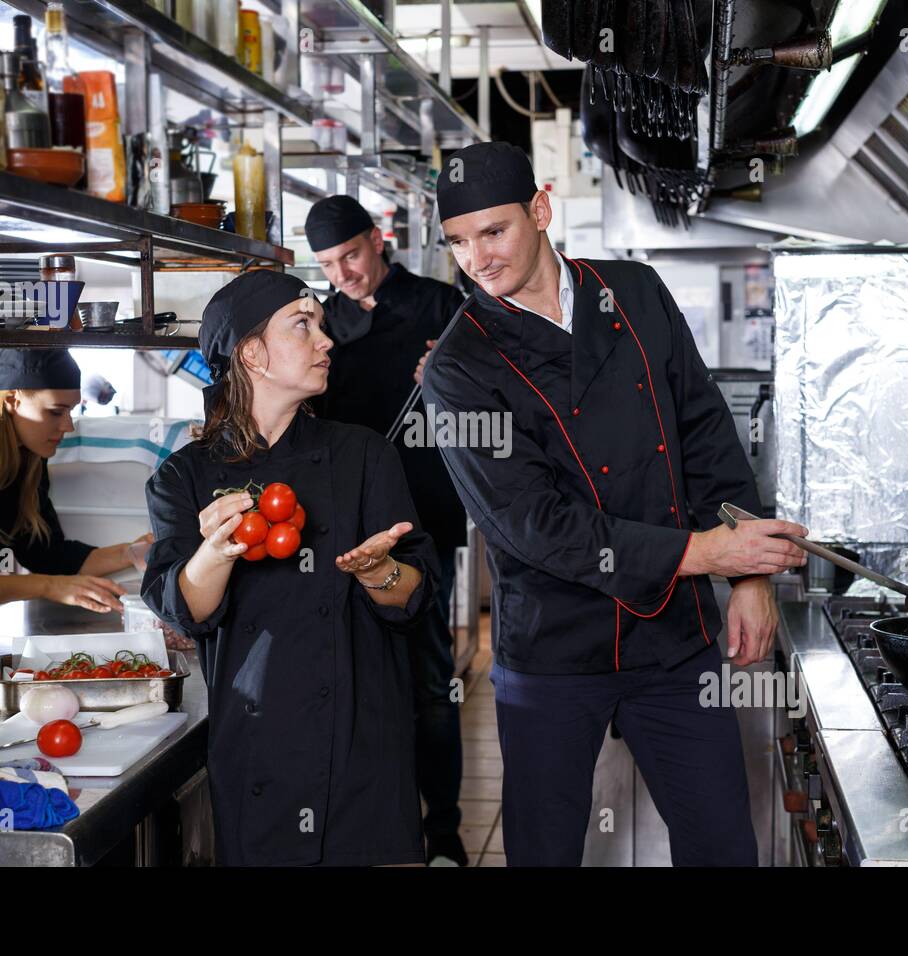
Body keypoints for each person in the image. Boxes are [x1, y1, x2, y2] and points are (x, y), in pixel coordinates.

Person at [419, 142, 809, 866]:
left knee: (724, 843)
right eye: (459, 242)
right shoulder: (457, 366)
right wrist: (705, 555)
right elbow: (535, 524)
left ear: (541, 209)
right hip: (553, 651)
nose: (479, 258)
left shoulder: (633, 290)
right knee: (545, 852)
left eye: (494, 231)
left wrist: (749, 577)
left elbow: (705, 436)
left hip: (674, 642)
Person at [141, 269, 439, 866]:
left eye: (322, 327)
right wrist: (218, 550)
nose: (325, 341)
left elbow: (413, 595)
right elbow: (185, 608)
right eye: (303, 326)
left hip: (361, 747)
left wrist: (376, 571)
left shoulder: (363, 455)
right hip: (258, 751)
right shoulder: (184, 476)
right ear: (251, 353)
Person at [304, 194, 469, 866]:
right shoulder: (318, 325)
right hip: (344, 526)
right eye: (327, 264)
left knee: (430, 682)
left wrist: (453, 380)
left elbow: (503, 402)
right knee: (357, 683)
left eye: (349, 255)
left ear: (378, 240)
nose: (342, 274)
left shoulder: (441, 306)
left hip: (424, 522)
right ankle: (368, 825)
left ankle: (445, 833)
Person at [0, 349, 148, 619]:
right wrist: (48, 587)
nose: (68, 426)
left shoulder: (27, 459)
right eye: (55, 412)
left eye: (71, 411)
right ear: (13, 400)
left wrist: (130, 553)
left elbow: (46, 555)